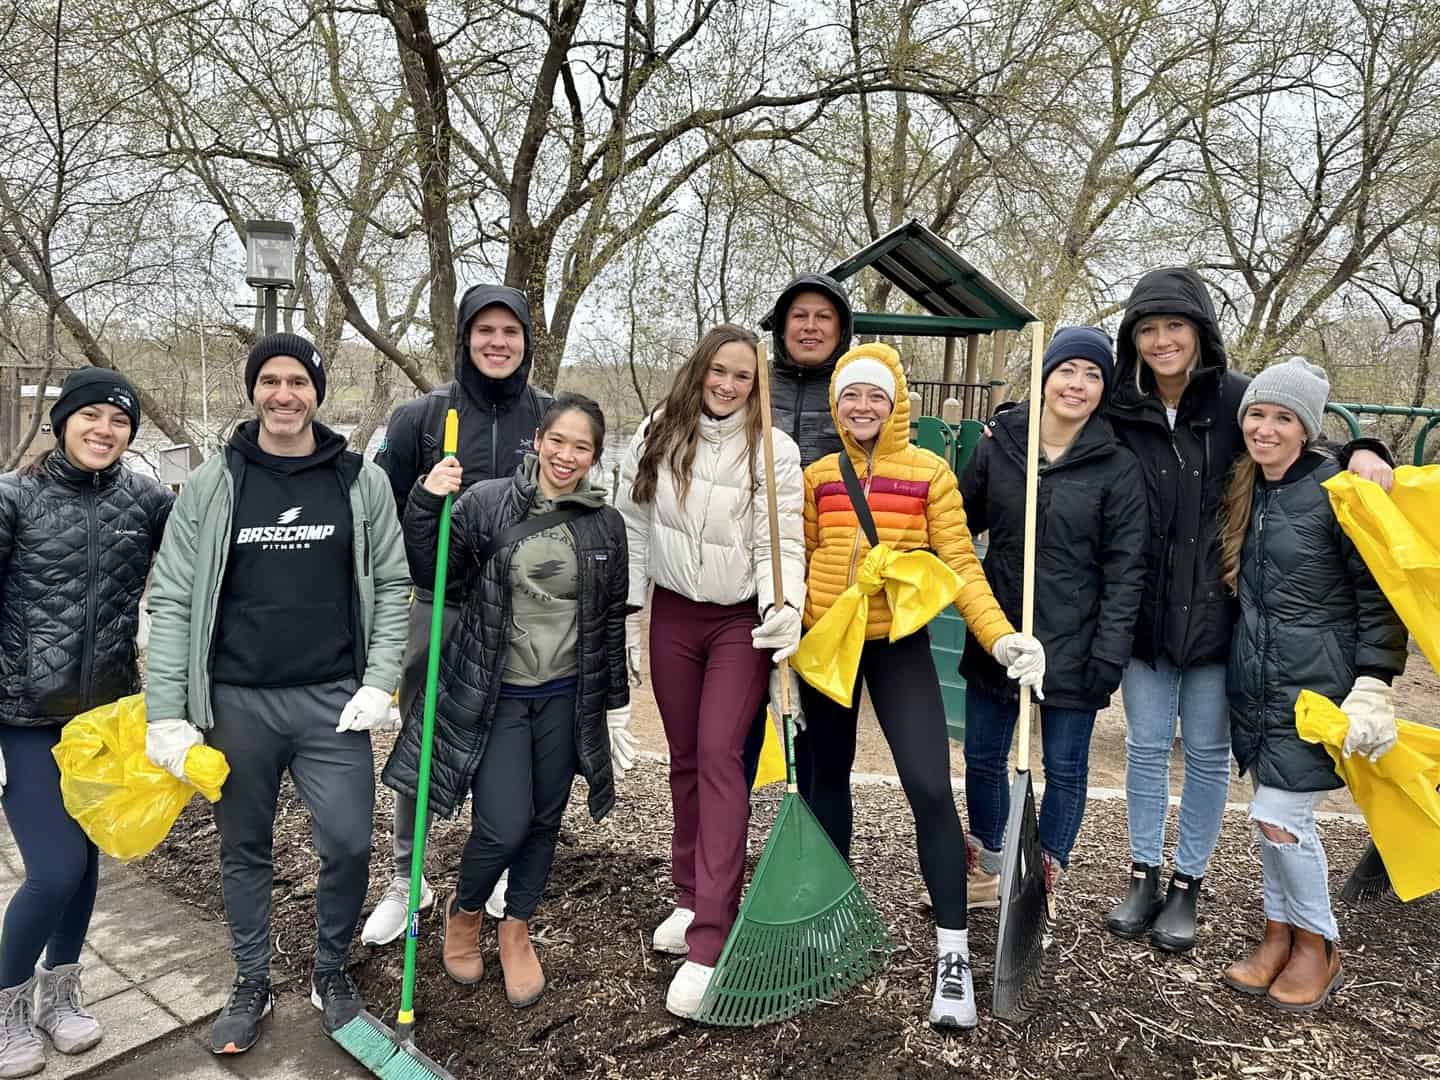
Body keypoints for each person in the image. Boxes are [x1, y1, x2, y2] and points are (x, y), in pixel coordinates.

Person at [1102, 268, 1395, 953]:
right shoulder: (1122, 408)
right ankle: (1143, 873)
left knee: (1204, 755)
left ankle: (1187, 887)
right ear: (1133, 339)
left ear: (1200, 332)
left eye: (1176, 325)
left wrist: (1365, 449)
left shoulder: (1236, 403)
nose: (1163, 340)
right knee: (1145, 751)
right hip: (1146, 618)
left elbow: (1298, 448)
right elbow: (1062, 422)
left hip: (1219, 621)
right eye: (1148, 328)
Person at [143, 334, 410, 1054]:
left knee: (351, 844)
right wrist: (168, 712)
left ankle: (331, 969)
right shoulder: (215, 481)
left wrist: (382, 677)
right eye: (269, 380)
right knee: (244, 848)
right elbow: (171, 596)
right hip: (238, 701)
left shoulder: (360, 480)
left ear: (317, 391)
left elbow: (391, 584)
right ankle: (250, 980)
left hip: (333, 701)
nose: (283, 394)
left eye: (297, 380)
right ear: (253, 390)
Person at [797, 343, 1045, 1029]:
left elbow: (963, 565)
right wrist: (783, 614)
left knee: (931, 787)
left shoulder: (930, 471)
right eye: (853, 394)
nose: (864, 406)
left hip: (899, 646)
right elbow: (798, 555)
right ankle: (827, 914)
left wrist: (1000, 637)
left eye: (877, 394)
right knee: (825, 781)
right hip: (829, 647)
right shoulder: (818, 475)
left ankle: (953, 952)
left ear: (897, 401)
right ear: (837, 402)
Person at [381, 394, 630, 1007]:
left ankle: (516, 926)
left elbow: (610, 621)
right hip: (496, 693)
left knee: (547, 818)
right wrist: (426, 501)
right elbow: (431, 566)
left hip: (566, 695)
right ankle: (465, 914)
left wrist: (616, 706)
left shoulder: (606, 523)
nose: (566, 456)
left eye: (582, 447)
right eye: (558, 441)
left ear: (595, 457)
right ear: (538, 440)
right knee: (503, 823)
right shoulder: (487, 503)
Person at [616, 324, 806, 1018]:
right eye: (718, 372)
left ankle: (710, 939)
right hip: (673, 615)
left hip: (737, 622)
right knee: (687, 761)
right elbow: (634, 528)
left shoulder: (773, 451)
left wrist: (785, 605)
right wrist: (631, 615)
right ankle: (690, 893)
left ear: (757, 385)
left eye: (743, 377)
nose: (727, 386)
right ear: (699, 371)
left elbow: (780, 540)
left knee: (724, 758)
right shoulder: (657, 434)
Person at [1216, 357, 1406, 1010]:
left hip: (1317, 686)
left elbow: (1377, 590)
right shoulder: (1252, 486)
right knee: (1267, 820)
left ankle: (1319, 947)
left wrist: (1375, 682)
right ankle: (1279, 936)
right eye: (1257, 415)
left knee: (1279, 817)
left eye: (1283, 417)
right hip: (1261, 686)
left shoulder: (1336, 488)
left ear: (1307, 429)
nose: (1265, 429)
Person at [364, 285, 552, 945]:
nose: (498, 343)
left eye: (511, 331)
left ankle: (494, 866)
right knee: (424, 741)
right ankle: (405, 876)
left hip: (523, 615)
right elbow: (377, 515)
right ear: (465, 338)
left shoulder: (549, 418)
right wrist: (424, 491)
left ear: (528, 340)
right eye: (485, 331)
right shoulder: (421, 416)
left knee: (512, 747)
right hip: (438, 604)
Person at [0, 370, 171, 1078]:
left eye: (119, 420)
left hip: (104, 721)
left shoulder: (146, 500)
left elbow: (213, 551)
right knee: (55, 869)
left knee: (87, 863)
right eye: (91, 415)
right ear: (62, 420)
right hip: (23, 718)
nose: (105, 429)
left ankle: (60, 994)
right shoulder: (14, 498)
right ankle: (7, 1004)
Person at [959, 328, 1147, 916]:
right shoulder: (1001, 445)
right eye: (1067, 370)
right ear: (1045, 378)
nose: (1078, 384)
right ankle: (991, 863)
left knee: (1065, 766)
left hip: (1079, 639)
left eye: (1093, 375)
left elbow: (1126, 570)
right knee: (983, 758)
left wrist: (1108, 655)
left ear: (1103, 389)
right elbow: (958, 522)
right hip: (1002, 632)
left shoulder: (1116, 464)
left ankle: (1045, 869)